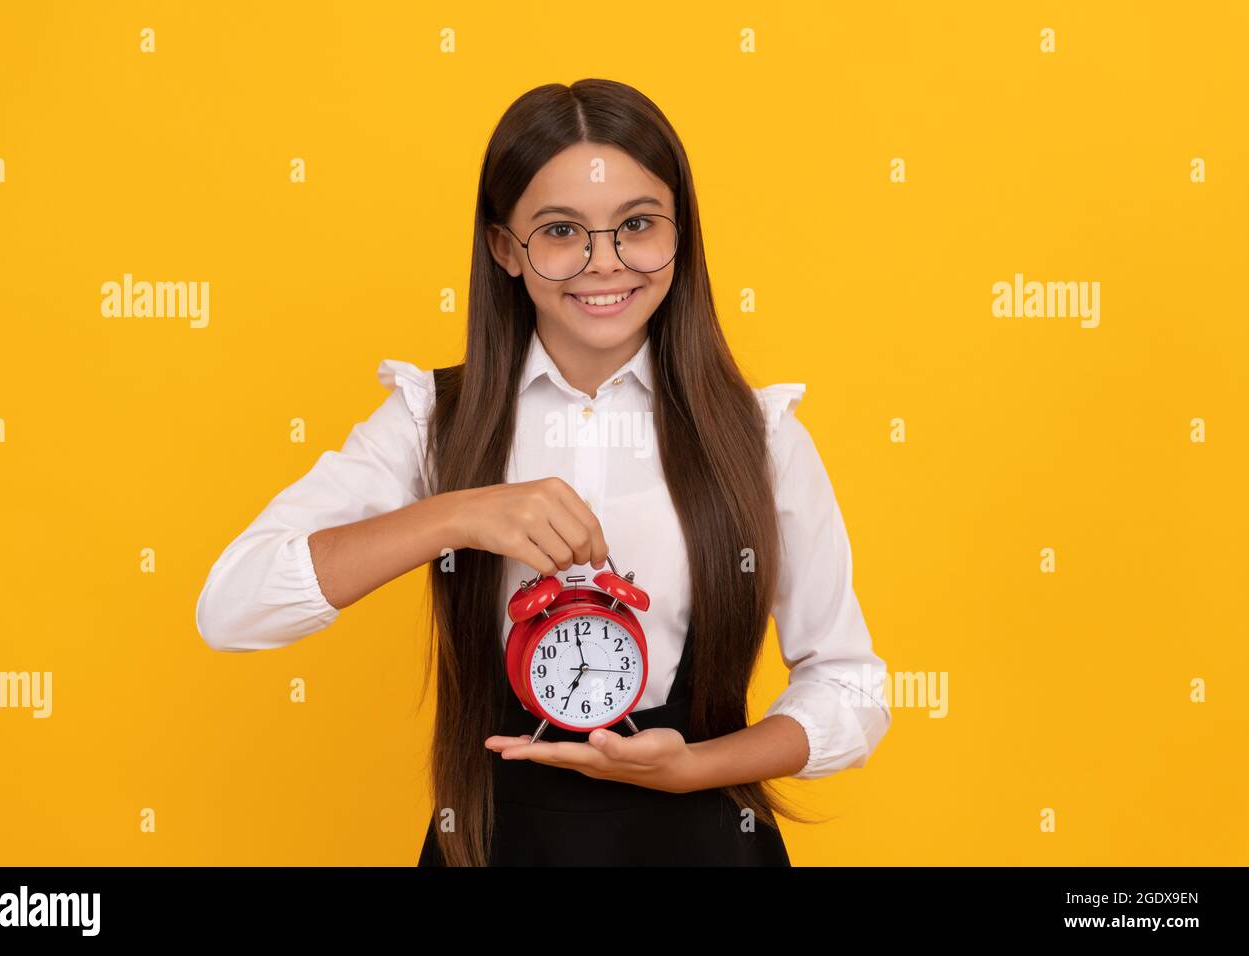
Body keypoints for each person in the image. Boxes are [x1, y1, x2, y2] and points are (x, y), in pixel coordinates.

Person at [195, 78, 891, 867]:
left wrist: (695, 765)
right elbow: (232, 607)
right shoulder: (434, 419)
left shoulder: (759, 438)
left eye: (637, 225)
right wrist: (455, 516)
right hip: (497, 844)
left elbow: (851, 688)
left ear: (681, 234)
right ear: (504, 248)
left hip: (705, 841)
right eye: (561, 231)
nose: (606, 264)